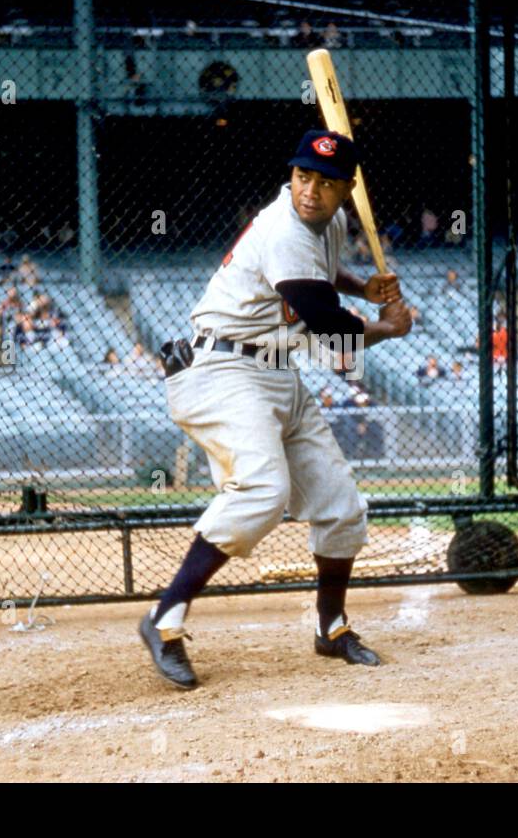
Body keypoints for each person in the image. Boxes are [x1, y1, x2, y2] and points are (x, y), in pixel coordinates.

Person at [141, 129, 411, 690]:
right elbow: (325, 322)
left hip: (276, 372)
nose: (310, 191)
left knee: (341, 506)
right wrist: (385, 325)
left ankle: (331, 627)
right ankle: (163, 619)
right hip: (221, 370)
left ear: (346, 189)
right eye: (302, 176)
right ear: (291, 177)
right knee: (263, 490)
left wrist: (363, 286)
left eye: (326, 182)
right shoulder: (284, 228)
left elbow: (322, 273)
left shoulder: (329, 222)